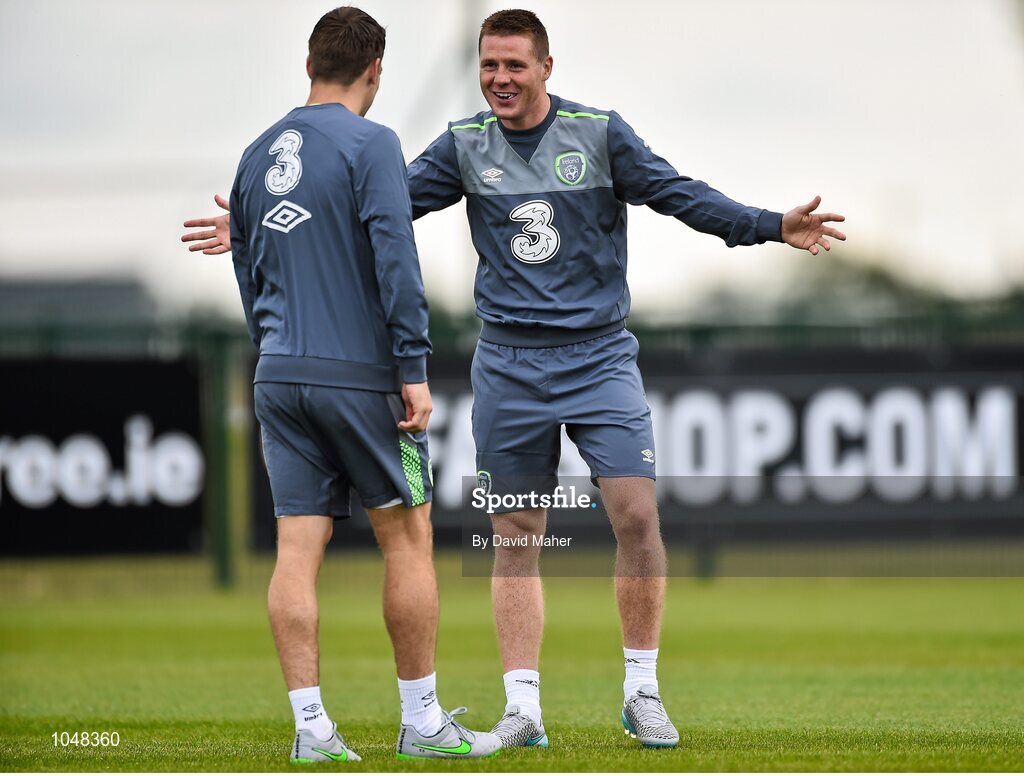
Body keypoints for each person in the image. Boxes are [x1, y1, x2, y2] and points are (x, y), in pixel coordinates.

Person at [183, 8, 846, 752]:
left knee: (635, 514)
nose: (499, 79)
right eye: (488, 66)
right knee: (517, 533)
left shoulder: (599, 133)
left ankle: (642, 690)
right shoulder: (465, 145)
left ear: (546, 69)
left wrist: (767, 224)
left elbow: (677, 192)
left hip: (598, 357)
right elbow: (376, 209)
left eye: (514, 66)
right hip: (508, 365)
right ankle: (522, 706)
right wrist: (267, 220)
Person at [202, 6, 500, 763]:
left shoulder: (253, 154)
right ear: (375, 71)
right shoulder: (372, 144)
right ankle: (424, 724)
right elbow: (396, 263)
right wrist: (413, 368)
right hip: (363, 383)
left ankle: (312, 732)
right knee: (408, 536)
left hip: (278, 375)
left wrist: (272, 352)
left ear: (309, 65)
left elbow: (248, 272)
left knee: (296, 551)